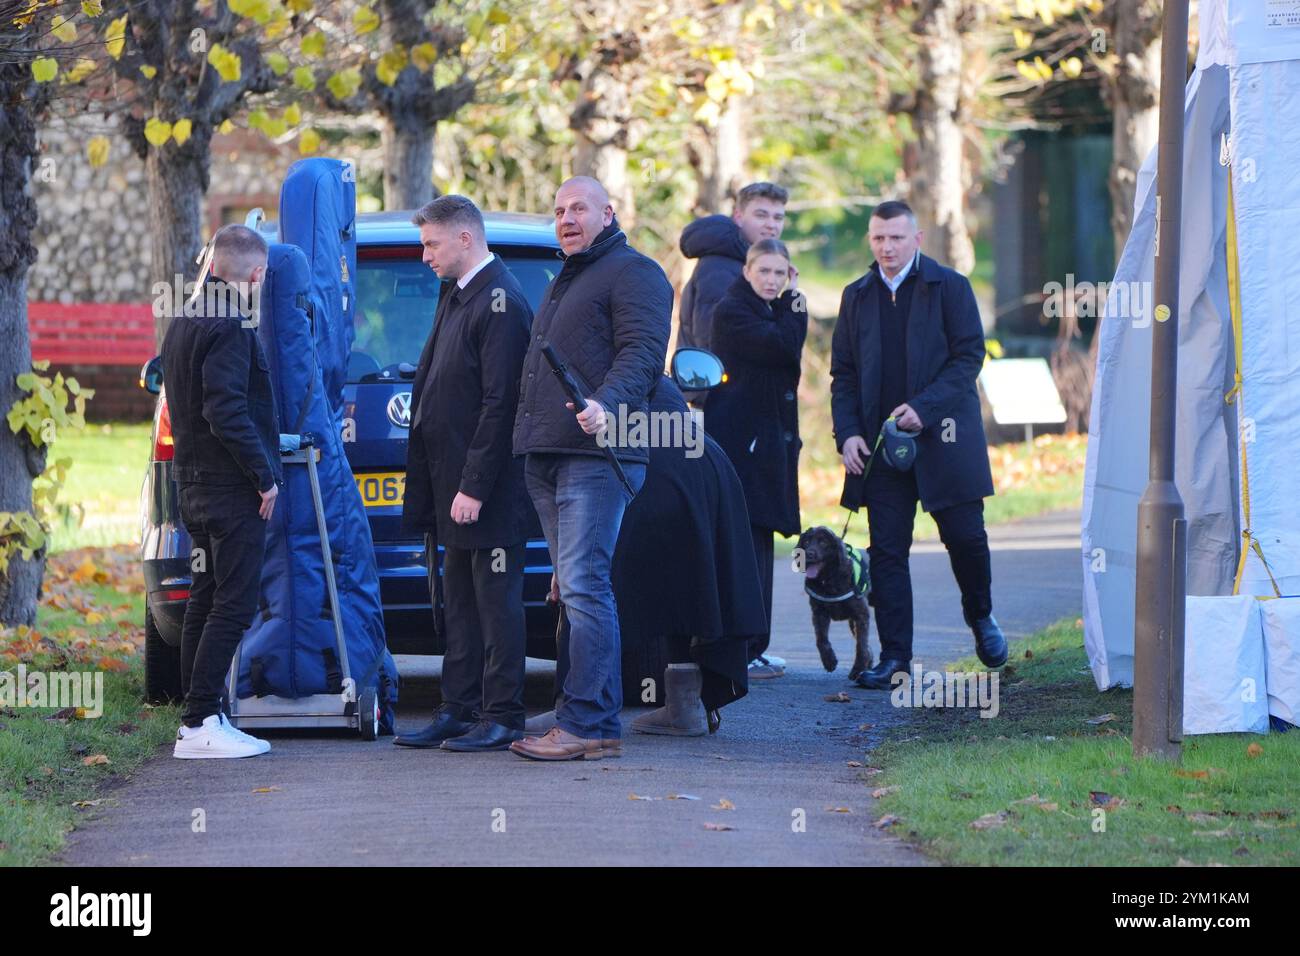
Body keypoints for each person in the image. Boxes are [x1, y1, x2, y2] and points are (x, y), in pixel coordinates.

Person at [509, 175, 672, 761]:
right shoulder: (567, 278)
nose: (566, 218)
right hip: (548, 454)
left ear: (609, 212)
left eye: (578, 208)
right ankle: (589, 716)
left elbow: (643, 354)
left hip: (598, 455)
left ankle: (587, 724)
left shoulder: (635, 272)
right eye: (558, 210)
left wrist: (608, 404)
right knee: (572, 590)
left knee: (585, 587)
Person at [829, 200, 1005, 690]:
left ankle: (981, 617)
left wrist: (924, 408)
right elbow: (842, 374)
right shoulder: (856, 295)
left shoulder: (950, 287)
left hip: (946, 438)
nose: (887, 248)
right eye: (878, 239)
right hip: (880, 447)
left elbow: (969, 357)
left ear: (917, 239)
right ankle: (895, 657)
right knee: (886, 552)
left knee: (966, 539)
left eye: (896, 238)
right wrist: (848, 435)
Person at [394, 196, 534, 752]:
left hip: (487, 489)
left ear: (466, 239)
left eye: (431, 243)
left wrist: (473, 487)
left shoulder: (500, 301)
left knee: (496, 605)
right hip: (449, 482)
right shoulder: (457, 291)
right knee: (459, 603)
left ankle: (503, 717)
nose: (424, 254)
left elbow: (502, 404)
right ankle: (458, 708)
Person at [162, 224, 281, 759]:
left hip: (191, 485)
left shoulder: (184, 319)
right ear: (256, 275)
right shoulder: (231, 326)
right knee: (232, 604)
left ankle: (205, 716)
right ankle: (198, 723)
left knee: (205, 600)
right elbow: (225, 409)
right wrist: (265, 476)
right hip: (229, 491)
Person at [704, 238, 808, 679]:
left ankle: (755, 643)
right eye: (764, 271)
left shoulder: (770, 308)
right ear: (747, 272)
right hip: (744, 449)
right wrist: (797, 302)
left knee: (761, 541)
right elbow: (783, 346)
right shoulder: (733, 311)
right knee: (747, 540)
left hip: (768, 448)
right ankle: (745, 644)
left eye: (779, 274)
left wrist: (790, 303)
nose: (771, 280)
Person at [676, 182, 789, 354]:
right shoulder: (720, 267)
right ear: (738, 217)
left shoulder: (754, 263)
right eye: (761, 215)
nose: (771, 225)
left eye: (778, 218)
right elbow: (711, 342)